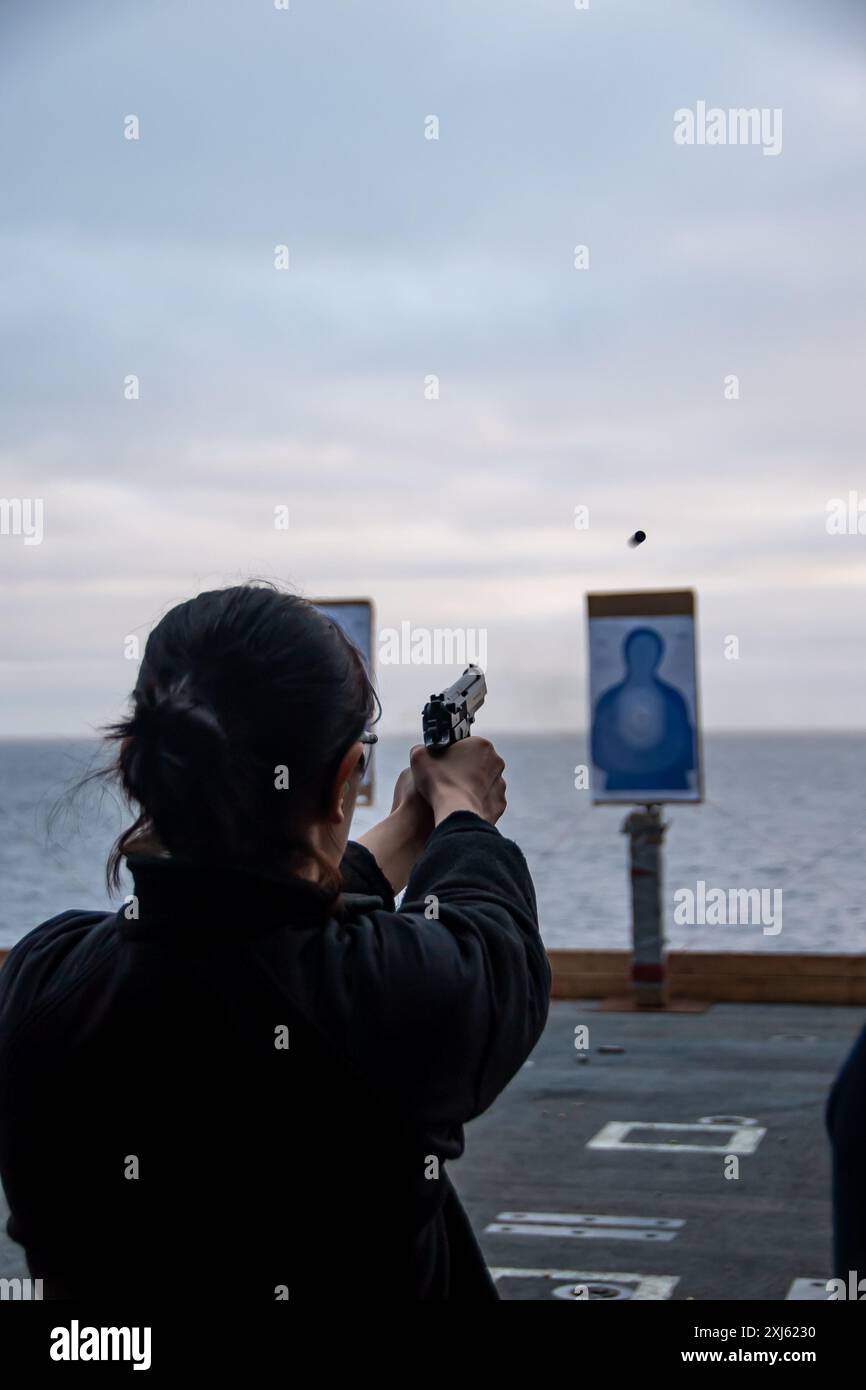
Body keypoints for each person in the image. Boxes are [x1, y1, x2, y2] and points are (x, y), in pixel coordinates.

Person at [0, 583, 549, 1301]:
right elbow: (495, 946)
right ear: (344, 779)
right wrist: (464, 815)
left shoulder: (44, 982)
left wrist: (411, 829)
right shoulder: (384, 999)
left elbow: (252, 925)